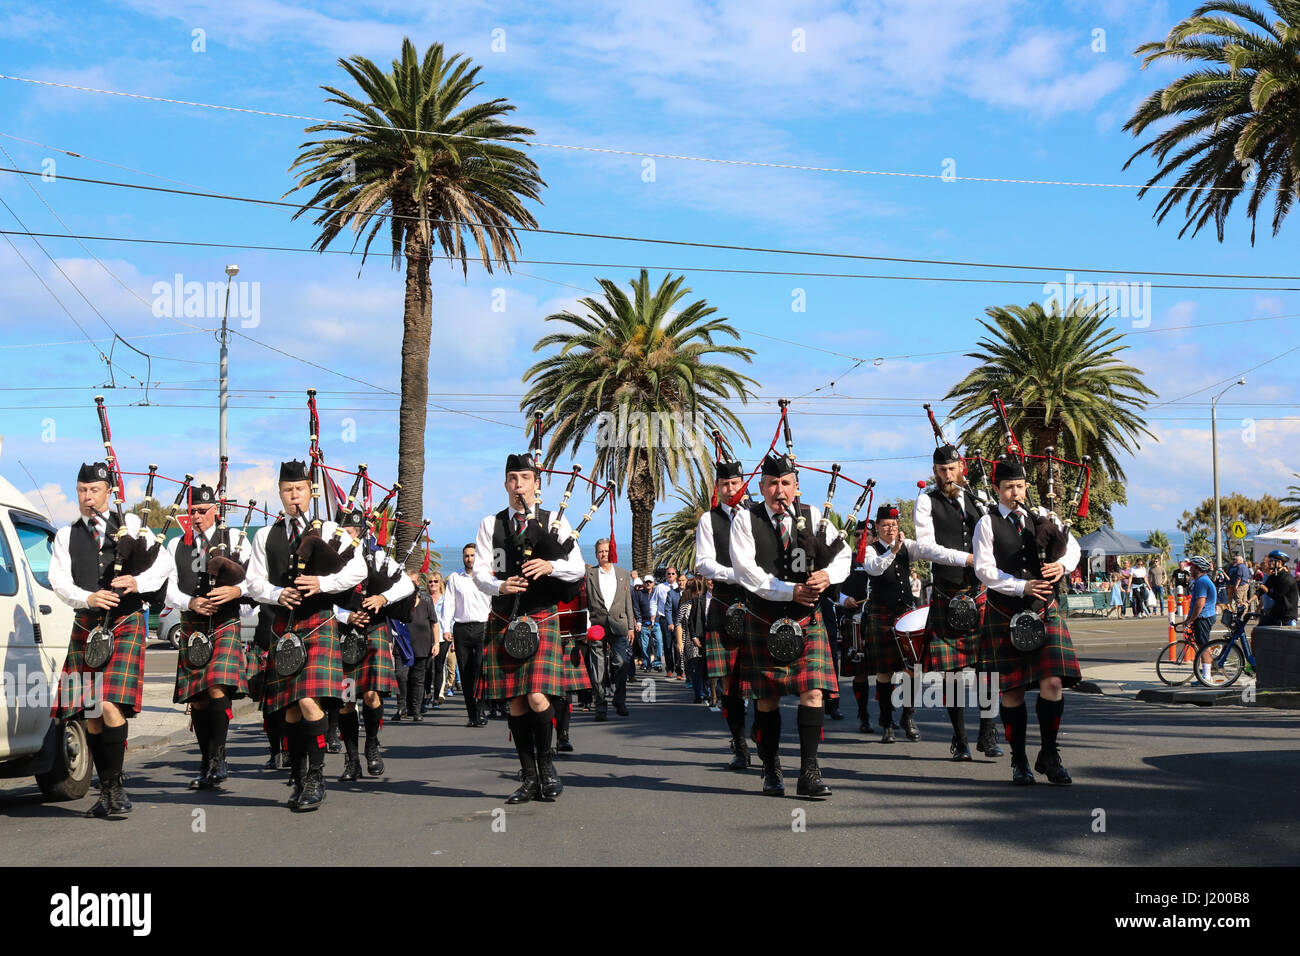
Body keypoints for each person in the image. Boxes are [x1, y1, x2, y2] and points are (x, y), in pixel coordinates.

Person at [49, 462, 170, 818]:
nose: (87, 498)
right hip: (88, 624)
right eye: (82, 491)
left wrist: (137, 582)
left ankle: (115, 787)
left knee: (109, 704)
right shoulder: (65, 535)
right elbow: (58, 580)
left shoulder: (131, 525)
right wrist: (87, 598)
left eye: (94, 491)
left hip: (124, 621)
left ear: (110, 492)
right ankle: (107, 788)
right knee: (91, 713)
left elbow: (161, 565)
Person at [245, 460, 366, 812]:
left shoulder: (330, 530)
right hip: (284, 629)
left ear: (310, 492)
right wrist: (276, 594)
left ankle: (315, 777)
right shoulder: (266, 535)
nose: (293, 495)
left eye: (299, 489)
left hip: (318, 624)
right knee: (290, 711)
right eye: (287, 489)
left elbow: (358, 568)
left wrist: (321, 583)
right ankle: (298, 776)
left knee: (309, 701)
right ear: (280, 493)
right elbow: (254, 582)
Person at [730, 451, 850, 798]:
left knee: (812, 692)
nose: (779, 490)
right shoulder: (745, 519)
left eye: (785, 483)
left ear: (796, 487)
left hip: (806, 619)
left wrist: (828, 575)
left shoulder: (813, 517)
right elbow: (746, 571)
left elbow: (843, 552)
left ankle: (809, 771)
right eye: (772, 484)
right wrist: (789, 590)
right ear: (762, 487)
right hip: (764, 619)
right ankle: (770, 767)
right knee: (766, 700)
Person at [472, 453, 586, 804]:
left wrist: (550, 565)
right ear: (505, 484)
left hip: (542, 616)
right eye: (512, 478)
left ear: (537, 483)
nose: (518, 484)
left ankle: (548, 768)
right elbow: (480, 572)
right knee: (517, 703)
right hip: (506, 618)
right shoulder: (491, 524)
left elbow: (578, 568)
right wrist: (499, 587)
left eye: (525, 477)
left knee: (537, 696)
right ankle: (529, 776)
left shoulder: (554, 523)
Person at [973, 459, 1081, 786]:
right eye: (1008, 487)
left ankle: (1049, 754)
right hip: (1005, 612)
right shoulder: (987, 524)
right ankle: (1019, 760)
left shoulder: (1044, 517)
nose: (1014, 492)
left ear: (1025, 486)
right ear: (997, 489)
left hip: (1043, 609)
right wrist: (1023, 586)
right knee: (1013, 691)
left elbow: (1072, 548)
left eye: (1019, 486)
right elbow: (984, 571)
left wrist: (1061, 566)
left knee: (1052, 684)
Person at [912, 444, 1002, 761]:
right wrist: (965, 558)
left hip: (979, 592)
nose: (947, 475)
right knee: (951, 673)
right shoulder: (926, 501)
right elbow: (925, 547)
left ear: (961, 466)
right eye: (941, 470)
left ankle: (988, 733)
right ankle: (960, 738)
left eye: (951, 468)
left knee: (989, 669)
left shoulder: (978, 497)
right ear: (934, 471)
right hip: (947, 592)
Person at [162, 483, 252, 790]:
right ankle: (205, 760)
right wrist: (190, 602)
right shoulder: (177, 545)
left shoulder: (236, 540)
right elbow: (168, 587)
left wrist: (235, 590)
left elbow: (253, 581)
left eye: (202, 511)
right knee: (198, 699)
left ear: (216, 509)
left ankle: (219, 755)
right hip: (192, 624)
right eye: (192, 512)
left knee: (216, 689)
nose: (197, 517)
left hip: (224, 622)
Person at [334, 508, 412, 779]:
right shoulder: (331, 560)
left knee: (370, 695)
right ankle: (352, 758)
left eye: (355, 530)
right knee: (345, 700)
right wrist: (346, 615)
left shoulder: (377, 557)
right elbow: (321, 597)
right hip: (343, 633)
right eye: (345, 530)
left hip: (374, 630)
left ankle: (372, 745)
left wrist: (383, 599)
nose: (350, 535)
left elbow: (407, 586)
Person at [695, 457, 753, 768]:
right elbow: (704, 563)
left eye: (735, 483)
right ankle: (740, 743)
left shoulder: (758, 515)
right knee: (729, 681)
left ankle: (759, 726)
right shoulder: (709, 520)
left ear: (743, 482)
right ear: (717, 487)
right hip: (725, 601)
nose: (730, 488)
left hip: (759, 603)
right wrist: (736, 574)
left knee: (762, 675)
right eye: (724, 484)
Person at [861, 504, 920, 744]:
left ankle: (908, 717)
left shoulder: (907, 547)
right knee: (884, 672)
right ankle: (887, 722)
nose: (891, 529)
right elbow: (874, 569)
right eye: (886, 525)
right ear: (877, 527)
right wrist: (893, 551)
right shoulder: (870, 550)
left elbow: (930, 550)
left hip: (905, 615)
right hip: (880, 614)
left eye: (894, 525)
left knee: (912, 671)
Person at [583, 537, 634, 719]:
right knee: (598, 668)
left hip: (619, 626)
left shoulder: (623, 574)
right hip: (596, 627)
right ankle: (600, 706)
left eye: (606, 550)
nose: (604, 554)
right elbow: (585, 602)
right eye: (600, 551)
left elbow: (628, 602)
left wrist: (630, 627)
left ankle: (619, 700)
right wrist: (586, 627)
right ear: (596, 554)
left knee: (621, 663)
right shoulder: (589, 575)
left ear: (612, 552)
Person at [443, 544, 492, 727]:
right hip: (461, 628)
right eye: (466, 556)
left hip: (482, 627)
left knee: (481, 670)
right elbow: (448, 603)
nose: (469, 558)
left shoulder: (487, 578)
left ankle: (481, 709)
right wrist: (446, 628)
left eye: (472, 555)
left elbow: (493, 602)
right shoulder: (455, 578)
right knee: (465, 673)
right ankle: (472, 715)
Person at [838, 521, 874, 734]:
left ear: (874, 537)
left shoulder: (883, 558)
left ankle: (890, 717)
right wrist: (844, 599)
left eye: (867, 534)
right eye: (858, 534)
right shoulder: (846, 561)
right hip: (854, 622)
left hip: (879, 619)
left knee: (888, 672)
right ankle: (864, 715)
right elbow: (833, 589)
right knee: (860, 673)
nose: (861, 538)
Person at [401, 572, 436, 721]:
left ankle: (416, 710)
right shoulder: (400, 603)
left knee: (418, 679)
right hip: (404, 647)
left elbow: (434, 624)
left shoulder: (426, 601)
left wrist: (436, 643)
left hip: (423, 646)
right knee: (404, 677)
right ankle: (405, 707)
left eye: (414, 582)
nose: (412, 584)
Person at [1185, 556, 1219, 683]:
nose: (1190, 569)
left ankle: (1206, 676)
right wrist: (1189, 618)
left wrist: (1191, 619)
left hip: (1203, 617)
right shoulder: (1202, 580)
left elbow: (1200, 604)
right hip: (1203, 616)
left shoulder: (1202, 582)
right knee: (1202, 645)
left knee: (1203, 646)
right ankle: (1206, 674)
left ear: (1198, 568)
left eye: (1192, 567)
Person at [679, 578, 707, 701]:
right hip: (690, 640)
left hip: (706, 639)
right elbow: (679, 623)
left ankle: (707, 690)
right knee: (696, 667)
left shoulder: (708, 603)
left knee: (705, 667)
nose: (698, 594)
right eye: (696, 591)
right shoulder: (685, 606)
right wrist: (680, 642)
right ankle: (699, 693)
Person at [1257, 551, 1298, 627]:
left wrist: (1266, 590)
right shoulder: (1274, 576)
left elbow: (1278, 596)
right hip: (1275, 613)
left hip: (1287, 616)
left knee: (1286, 638)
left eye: (1271, 560)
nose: (1269, 563)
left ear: (1279, 562)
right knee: (1258, 631)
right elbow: (1261, 590)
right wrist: (1247, 602)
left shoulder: (1287, 578)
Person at [633, 574, 656, 670]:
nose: (648, 583)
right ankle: (646, 662)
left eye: (650, 582)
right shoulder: (639, 594)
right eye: (647, 582)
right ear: (644, 583)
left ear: (653, 583)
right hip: (643, 623)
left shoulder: (656, 592)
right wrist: (638, 621)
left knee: (654, 641)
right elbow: (636, 608)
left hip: (654, 622)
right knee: (643, 642)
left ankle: (654, 660)